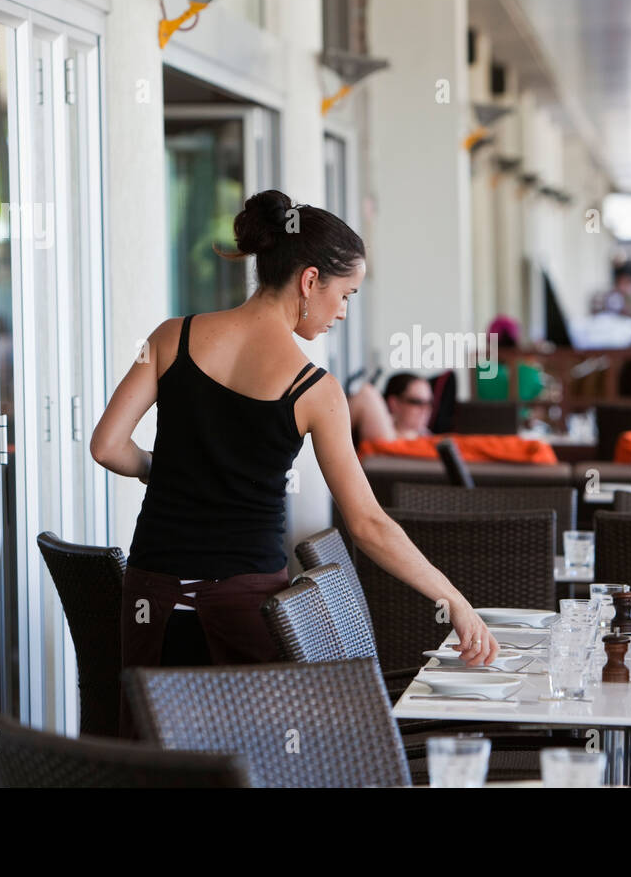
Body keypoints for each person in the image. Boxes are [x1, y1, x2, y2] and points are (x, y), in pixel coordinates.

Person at [89, 189, 499, 703]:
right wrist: (454, 600)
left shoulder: (173, 336)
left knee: (160, 752)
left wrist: (161, 467)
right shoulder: (315, 390)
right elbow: (368, 525)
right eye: (346, 294)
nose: (344, 312)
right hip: (243, 608)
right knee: (255, 762)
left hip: (153, 597)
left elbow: (106, 446)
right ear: (309, 280)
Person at [348, 373, 435, 444]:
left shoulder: (429, 438)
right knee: (367, 393)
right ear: (394, 403)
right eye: (417, 402)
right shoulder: (383, 427)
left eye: (429, 403)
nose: (425, 409)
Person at [474, 315, 542, 402]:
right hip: (520, 416)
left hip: (484, 415)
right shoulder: (530, 372)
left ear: (489, 342)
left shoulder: (479, 371)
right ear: (516, 343)